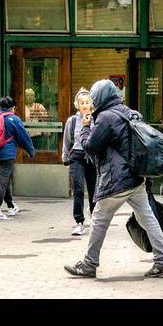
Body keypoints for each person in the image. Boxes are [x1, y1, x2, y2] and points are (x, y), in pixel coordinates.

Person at [64, 78, 163, 279]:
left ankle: (89, 264)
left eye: (94, 98)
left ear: (101, 97)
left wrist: (86, 127)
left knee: (99, 218)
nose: (93, 103)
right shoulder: (130, 112)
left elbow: (90, 146)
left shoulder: (106, 118)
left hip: (116, 181)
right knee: (147, 217)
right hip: (136, 177)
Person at [0, 95, 35, 220]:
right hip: (6, 155)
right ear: (13, 108)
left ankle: (10, 206)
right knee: (1, 182)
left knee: (3, 181)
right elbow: (23, 137)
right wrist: (31, 151)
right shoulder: (13, 119)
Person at [61, 88, 96, 236]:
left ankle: (94, 217)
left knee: (94, 190)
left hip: (92, 157)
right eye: (82, 103)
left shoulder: (97, 119)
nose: (85, 105)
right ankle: (79, 222)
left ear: (91, 104)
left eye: (87, 102)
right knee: (78, 189)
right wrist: (65, 156)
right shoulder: (73, 120)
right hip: (76, 156)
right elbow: (67, 140)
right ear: (77, 105)